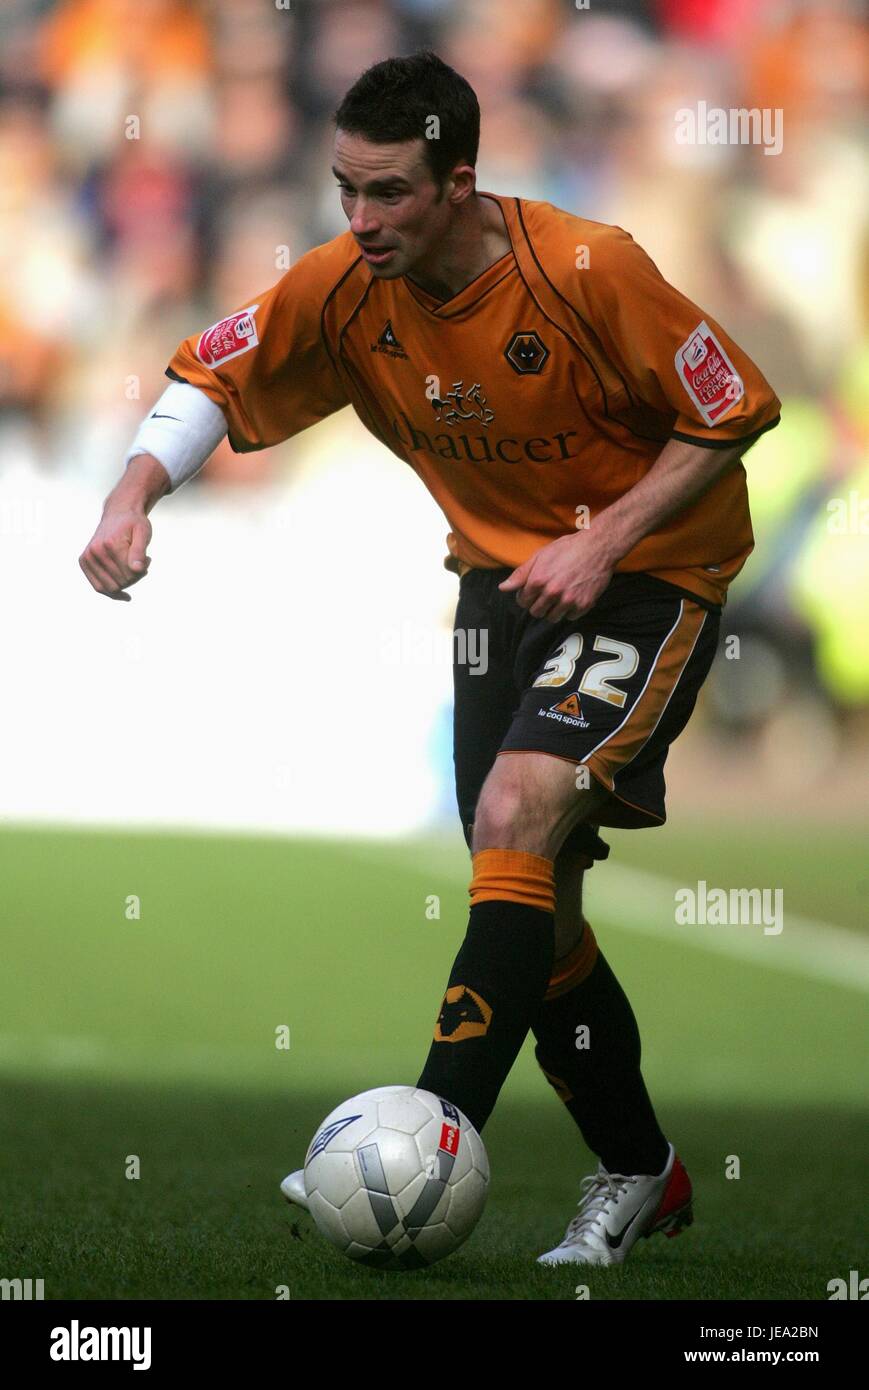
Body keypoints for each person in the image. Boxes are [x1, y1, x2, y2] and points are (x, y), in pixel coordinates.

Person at [79, 52, 781, 1266]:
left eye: (390, 193)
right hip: (495, 590)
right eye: (346, 189)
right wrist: (132, 492)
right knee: (532, 897)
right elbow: (210, 371)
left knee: (516, 812)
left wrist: (607, 535)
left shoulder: (583, 266)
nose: (362, 220)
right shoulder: (346, 284)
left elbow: (733, 405)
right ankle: (639, 1170)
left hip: (649, 577)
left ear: (459, 181)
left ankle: (421, 1127)